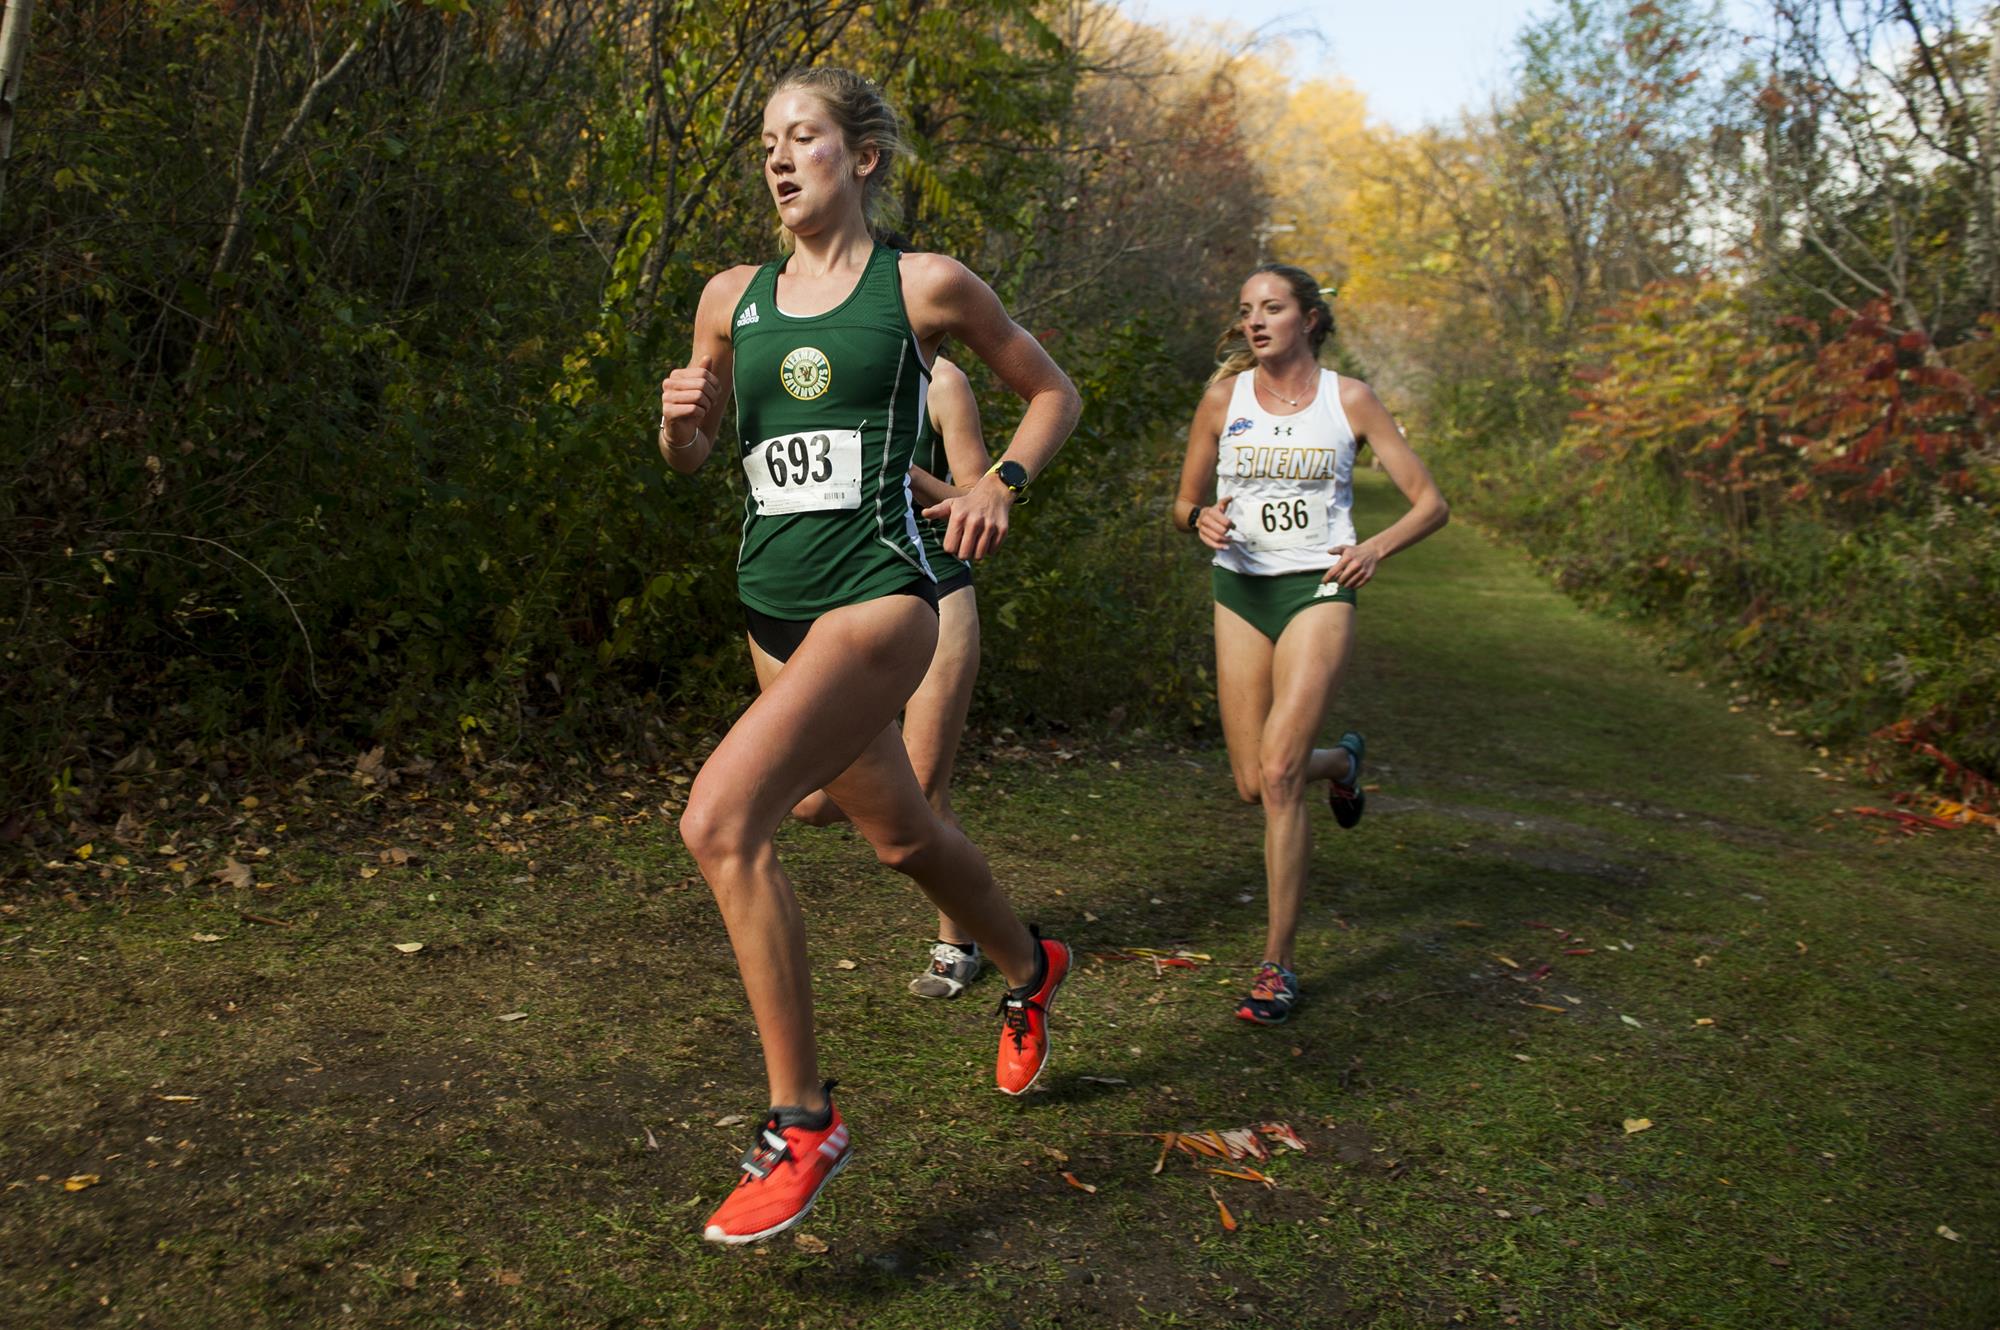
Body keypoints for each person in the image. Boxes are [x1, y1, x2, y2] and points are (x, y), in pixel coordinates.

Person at [657, 67, 1081, 1245]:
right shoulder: (729, 298)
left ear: (864, 158)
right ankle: (1027, 959)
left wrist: (999, 481)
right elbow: (701, 458)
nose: (781, 160)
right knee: (897, 834)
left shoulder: (922, 286)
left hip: (883, 599)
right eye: (767, 145)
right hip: (771, 611)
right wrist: (680, 429)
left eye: (805, 138)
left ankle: (802, 1124)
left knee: (720, 822)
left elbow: (1053, 391)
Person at [1171, 263, 1448, 1026]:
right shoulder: (1223, 400)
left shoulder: (1347, 398)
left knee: (1280, 770)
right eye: (1247, 311)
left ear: (1310, 319)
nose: (1257, 321)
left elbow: (1431, 503)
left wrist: (1377, 548)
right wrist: (1198, 519)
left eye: (1274, 308)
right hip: (1241, 590)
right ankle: (1346, 763)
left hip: (1319, 589)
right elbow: (1183, 500)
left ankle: (1276, 965)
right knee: (1252, 783)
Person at [790, 352, 995, 1001]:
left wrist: (897, 468)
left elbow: (974, 498)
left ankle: (958, 945)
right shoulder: (840, 368)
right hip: (852, 596)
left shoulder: (946, 381)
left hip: (937, 588)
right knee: (810, 803)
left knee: (926, 784)